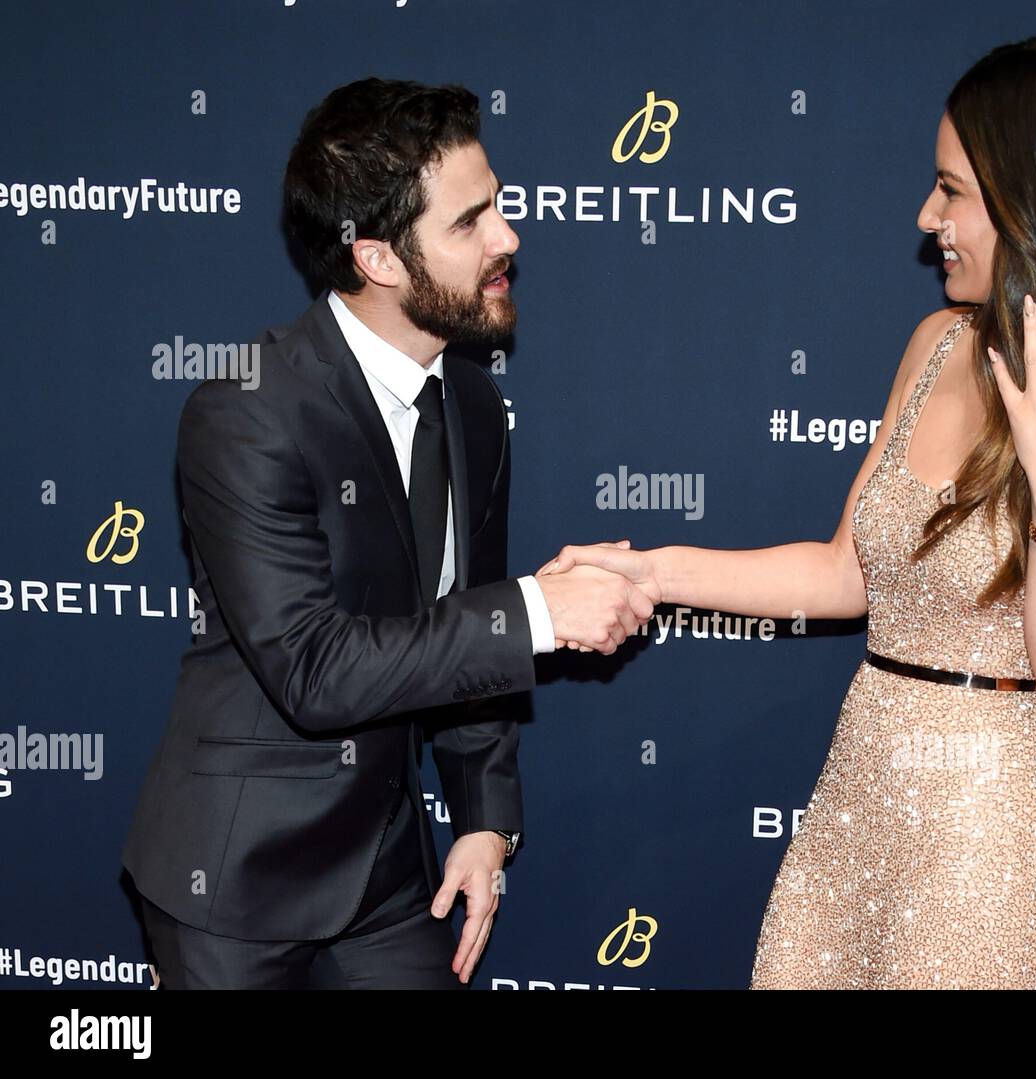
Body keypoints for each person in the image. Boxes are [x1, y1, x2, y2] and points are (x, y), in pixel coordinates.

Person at [540, 36, 1036, 989]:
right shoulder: (940, 342)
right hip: (854, 797)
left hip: (989, 843)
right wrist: (650, 571)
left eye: (951, 190)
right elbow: (845, 571)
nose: (926, 217)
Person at [121, 79, 653, 989]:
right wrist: (538, 610)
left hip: (388, 873)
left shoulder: (476, 405)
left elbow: (468, 624)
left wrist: (484, 819)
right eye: (469, 222)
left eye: (499, 206)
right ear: (377, 259)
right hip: (236, 885)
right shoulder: (246, 412)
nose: (507, 239)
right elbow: (315, 670)